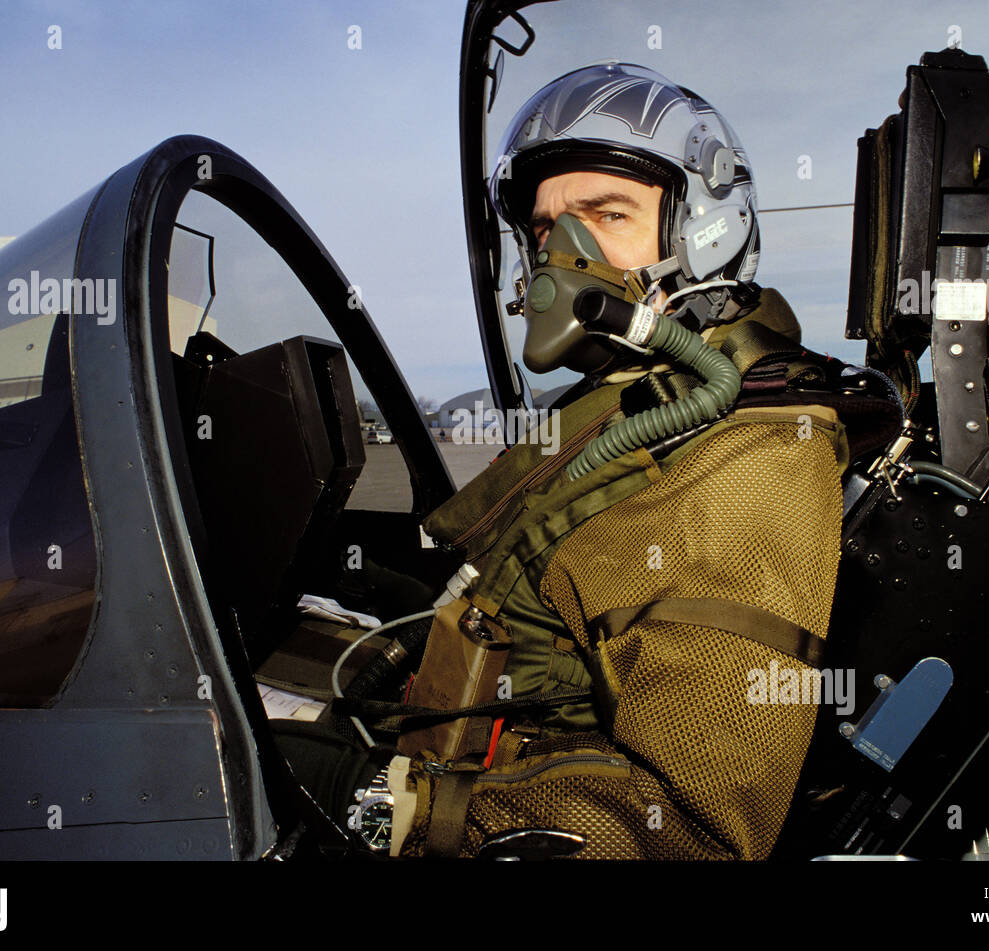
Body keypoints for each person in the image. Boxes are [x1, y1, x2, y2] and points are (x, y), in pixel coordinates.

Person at [275, 62, 900, 860]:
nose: (561, 256)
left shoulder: (747, 457)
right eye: (545, 229)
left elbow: (684, 829)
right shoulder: (635, 402)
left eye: (607, 213)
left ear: (701, 229)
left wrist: (387, 809)